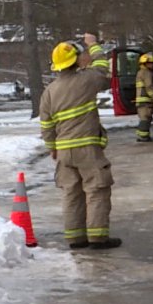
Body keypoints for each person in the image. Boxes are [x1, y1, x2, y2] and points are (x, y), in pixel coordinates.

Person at [39, 33, 122, 249]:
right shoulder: (87, 80)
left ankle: (75, 238)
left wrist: (52, 148)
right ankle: (97, 237)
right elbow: (103, 68)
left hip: (64, 151)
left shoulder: (49, 91)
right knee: (97, 190)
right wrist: (93, 45)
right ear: (75, 60)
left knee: (71, 193)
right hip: (87, 148)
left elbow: (46, 125)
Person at [134, 52, 153, 142]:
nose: (152, 65)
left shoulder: (140, 72)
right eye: (150, 63)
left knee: (144, 118)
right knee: (146, 118)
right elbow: (149, 87)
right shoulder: (147, 73)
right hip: (146, 100)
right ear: (145, 63)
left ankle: (141, 135)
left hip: (141, 101)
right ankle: (143, 137)